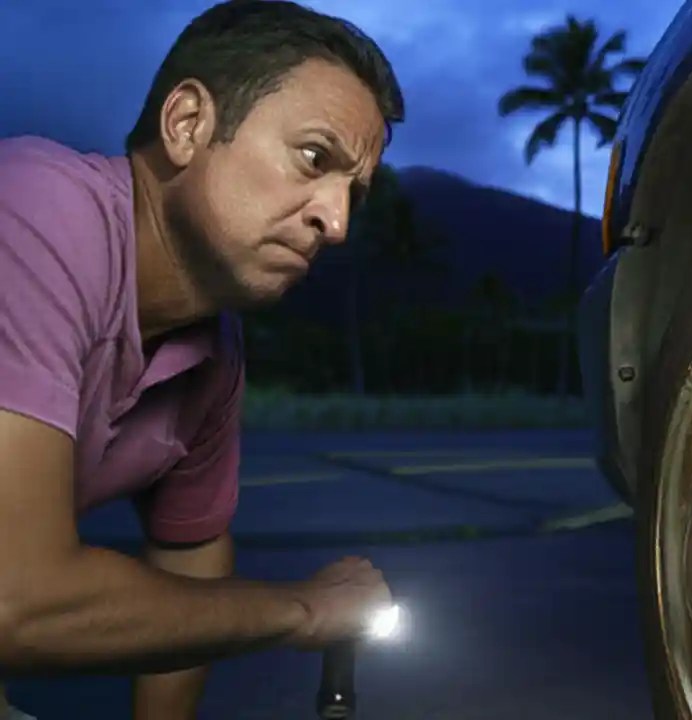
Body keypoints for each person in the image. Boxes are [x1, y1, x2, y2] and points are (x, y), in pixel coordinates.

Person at [0, 1, 405, 717]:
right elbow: (17, 601)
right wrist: (305, 609)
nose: (336, 223)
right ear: (187, 124)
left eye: (354, 195)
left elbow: (191, 562)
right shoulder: (36, 207)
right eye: (314, 159)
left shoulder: (213, 352)